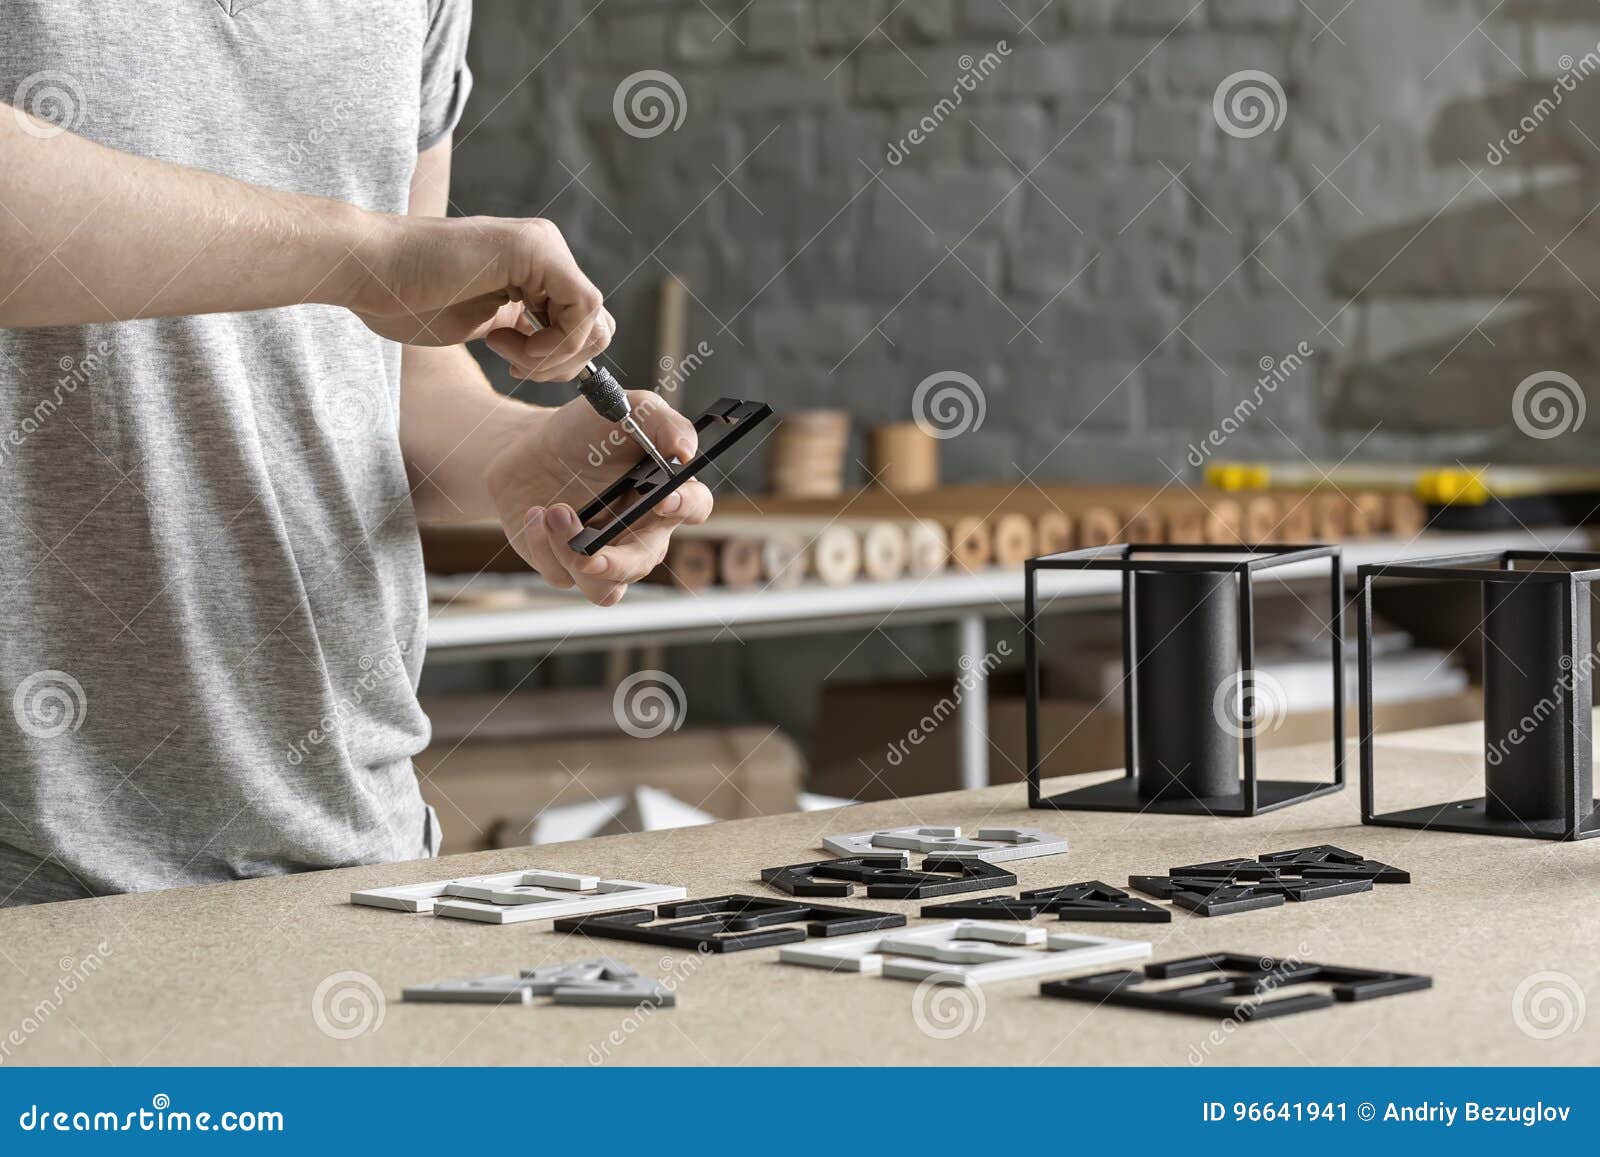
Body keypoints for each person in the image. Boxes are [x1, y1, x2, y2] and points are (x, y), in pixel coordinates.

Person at [0, 1, 711, 905]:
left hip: (353, 851)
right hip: (28, 874)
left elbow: (391, 364)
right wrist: (366, 255)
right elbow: (376, 270)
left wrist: (517, 451)